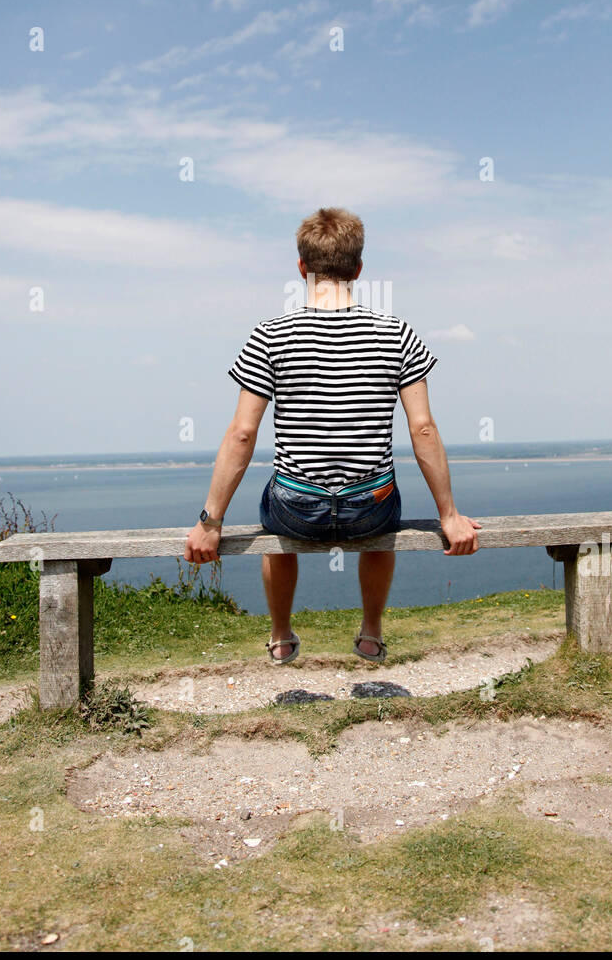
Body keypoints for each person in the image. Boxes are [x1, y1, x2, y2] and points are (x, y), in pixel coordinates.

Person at [184, 207, 480, 665]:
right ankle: (371, 633)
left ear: (301, 267)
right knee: (385, 511)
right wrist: (450, 514)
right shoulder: (397, 333)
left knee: (274, 520)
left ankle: (281, 634)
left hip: (297, 509)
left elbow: (242, 435)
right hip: (371, 507)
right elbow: (422, 428)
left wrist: (210, 521)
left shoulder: (269, 334)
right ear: (359, 269)